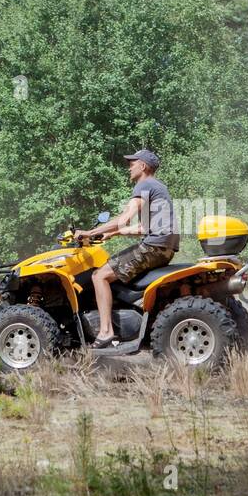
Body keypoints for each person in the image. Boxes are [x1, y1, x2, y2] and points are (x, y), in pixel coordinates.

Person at [76, 149, 179, 348]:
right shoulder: (158, 187)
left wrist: (88, 232)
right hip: (163, 248)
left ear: (143, 166)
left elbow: (124, 219)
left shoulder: (144, 185)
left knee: (99, 276)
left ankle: (106, 332)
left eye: (132, 163)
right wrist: (112, 234)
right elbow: (143, 227)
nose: (129, 167)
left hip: (153, 247)